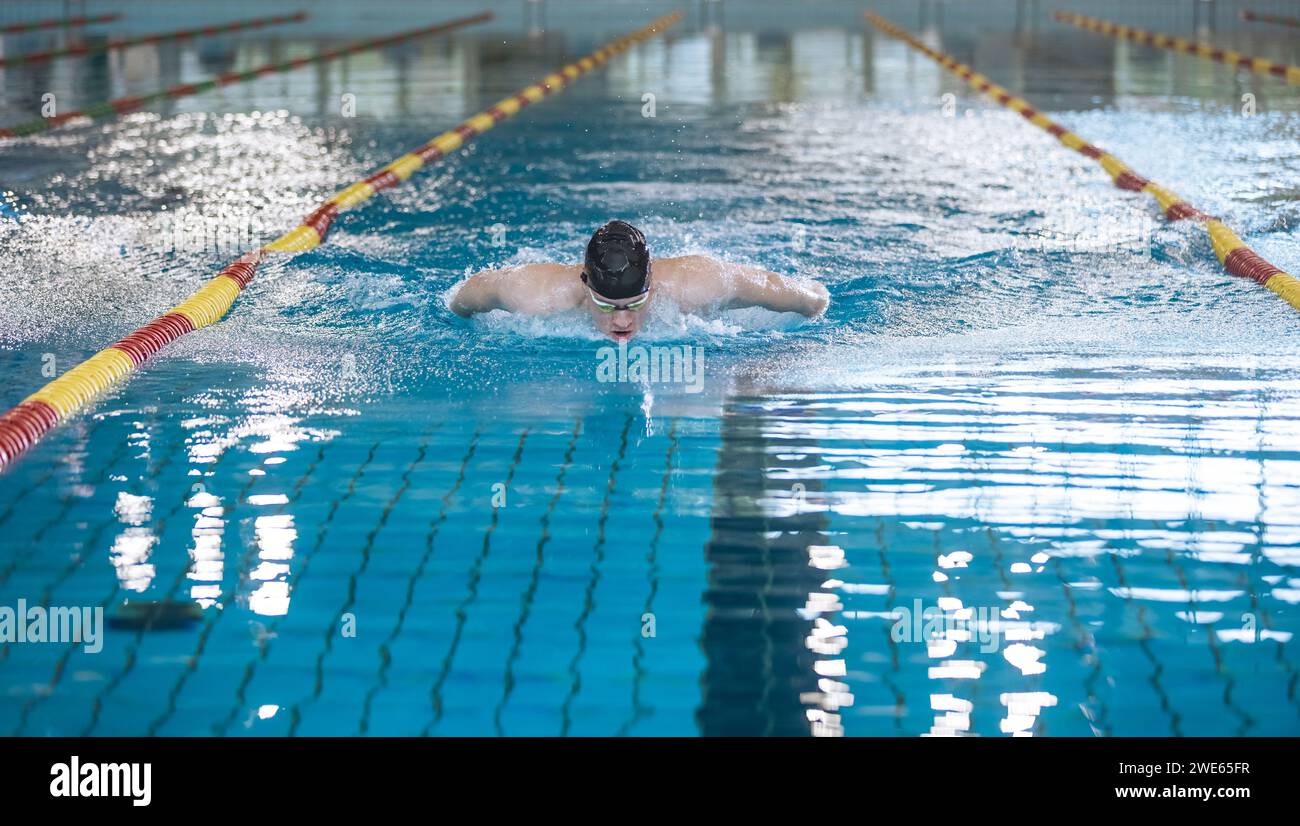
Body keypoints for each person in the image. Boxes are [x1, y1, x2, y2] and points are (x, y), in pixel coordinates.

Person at [450, 220, 829, 341]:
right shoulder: (535, 293)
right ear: (585, 284)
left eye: (634, 305)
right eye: (606, 306)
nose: (622, 322)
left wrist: (811, 306)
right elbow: (466, 296)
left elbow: (797, 295)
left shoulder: (699, 284)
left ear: (652, 285)